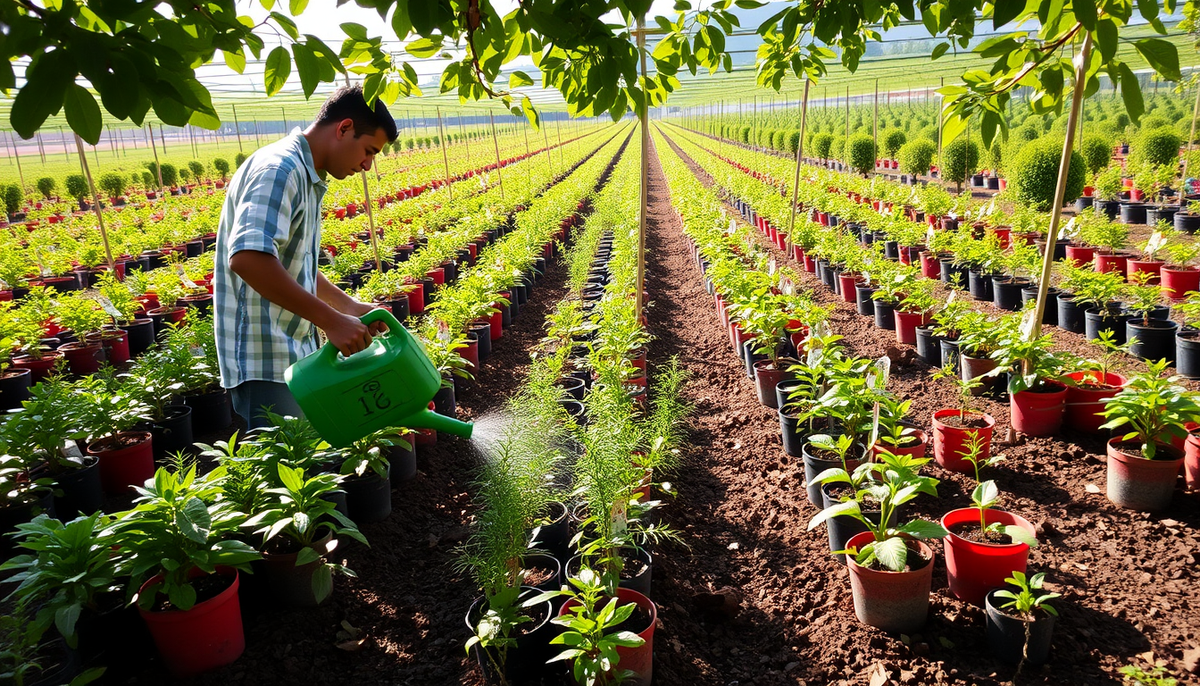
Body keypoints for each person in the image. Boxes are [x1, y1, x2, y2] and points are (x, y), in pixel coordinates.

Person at [214, 85, 398, 429]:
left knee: (305, 465)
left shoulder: (305, 174)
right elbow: (248, 257)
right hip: (264, 358)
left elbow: (289, 264)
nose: (367, 165)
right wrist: (331, 321)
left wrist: (348, 308)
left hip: (290, 352)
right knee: (285, 472)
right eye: (368, 150)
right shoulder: (280, 170)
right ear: (344, 129)